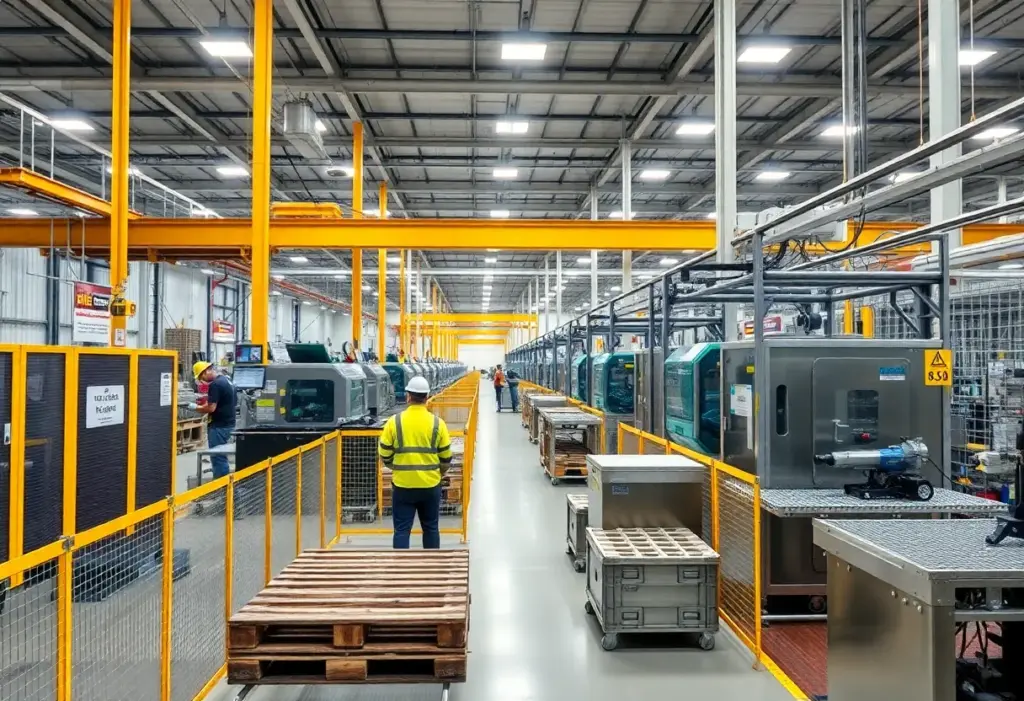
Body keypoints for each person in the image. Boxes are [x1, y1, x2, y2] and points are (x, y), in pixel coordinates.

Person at [378, 376, 453, 549]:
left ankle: (401, 571)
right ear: (426, 397)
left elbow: (384, 453)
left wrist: (395, 467)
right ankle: (432, 568)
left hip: (403, 486)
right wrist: (438, 472)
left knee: (402, 530)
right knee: (431, 528)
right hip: (430, 485)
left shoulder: (394, 422)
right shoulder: (438, 423)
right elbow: (446, 457)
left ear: (408, 397)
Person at [190, 361, 237, 480]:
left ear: (206, 372)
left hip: (219, 427)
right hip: (229, 424)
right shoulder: (226, 380)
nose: (202, 380)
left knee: (218, 457)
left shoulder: (215, 385)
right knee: (222, 456)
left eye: (201, 377)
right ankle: (226, 487)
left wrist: (196, 407)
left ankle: (221, 488)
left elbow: (211, 408)